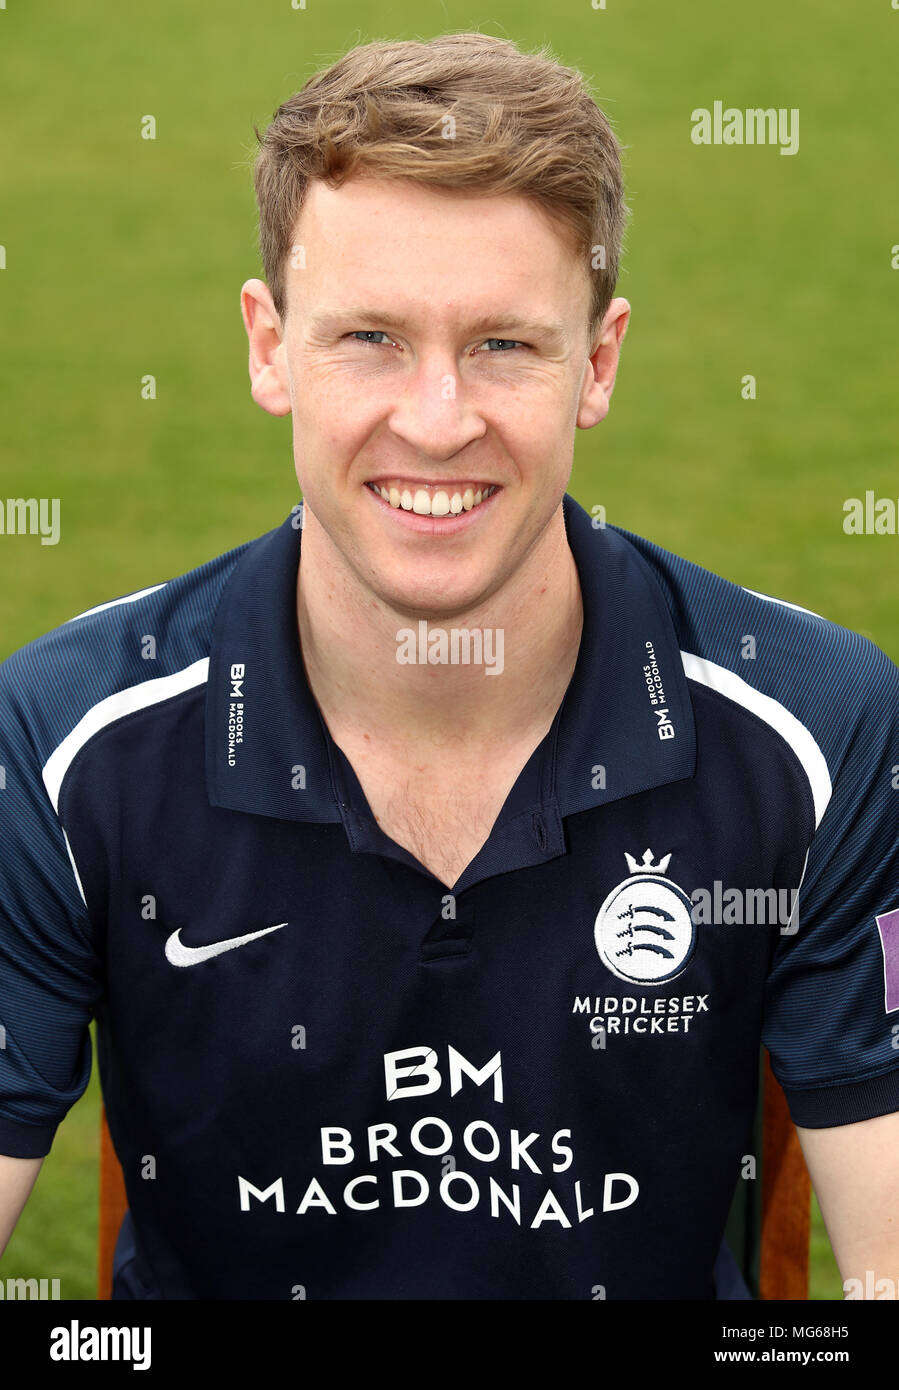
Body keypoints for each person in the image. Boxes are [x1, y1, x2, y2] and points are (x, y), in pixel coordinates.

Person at [0, 32, 897, 1301]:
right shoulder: (58, 739)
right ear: (268, 347)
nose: (435, 419)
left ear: (597, 362)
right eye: (368, 336)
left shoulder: (822, 727)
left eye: (503, 346)